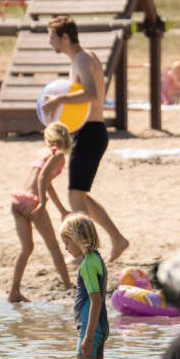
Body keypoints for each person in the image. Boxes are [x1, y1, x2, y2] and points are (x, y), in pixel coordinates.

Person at [46, 15, 129, 262]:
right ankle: (117, 239)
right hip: (89, 130)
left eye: (52, 37)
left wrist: (60, 100)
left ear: (65, 37)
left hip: (91, 131)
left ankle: (85, 250)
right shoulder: (83, 57)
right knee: (80, 194)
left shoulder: (82, 59)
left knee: (74, 194)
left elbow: (91, 93)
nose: (50, 43)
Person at [8, 121, 73, 303]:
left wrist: (61, 209)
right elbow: (43, 177)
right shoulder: (58, 154)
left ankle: (14, 291)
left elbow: (46, 182)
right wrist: (43, 203)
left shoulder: (40, 152)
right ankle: (69, 286)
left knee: (26, 248)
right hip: (32, 202)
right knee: (53, 246)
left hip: (17, 199)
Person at [60, 213, 113, 359]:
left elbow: (95, 300)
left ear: (79, 240)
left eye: (67, 242)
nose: (65, 247)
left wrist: (88, 336)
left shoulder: (88, 265)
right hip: (101, 327)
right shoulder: (95, 259)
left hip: (92, 329)